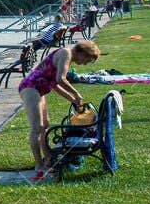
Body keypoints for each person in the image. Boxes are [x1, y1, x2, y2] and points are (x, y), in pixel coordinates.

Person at [17, 39, 100, 180]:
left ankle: (48, 158)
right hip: (31, 87)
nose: (85, 63)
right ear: (82, 52)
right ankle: (39, 166)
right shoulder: (66, 53)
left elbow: (54, 84)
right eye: (87, 59)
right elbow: (60, 79)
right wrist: (76, 93)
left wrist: (72, 99)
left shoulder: (65, 55)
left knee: (45, 125)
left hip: (39, 89)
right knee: (36, 128)